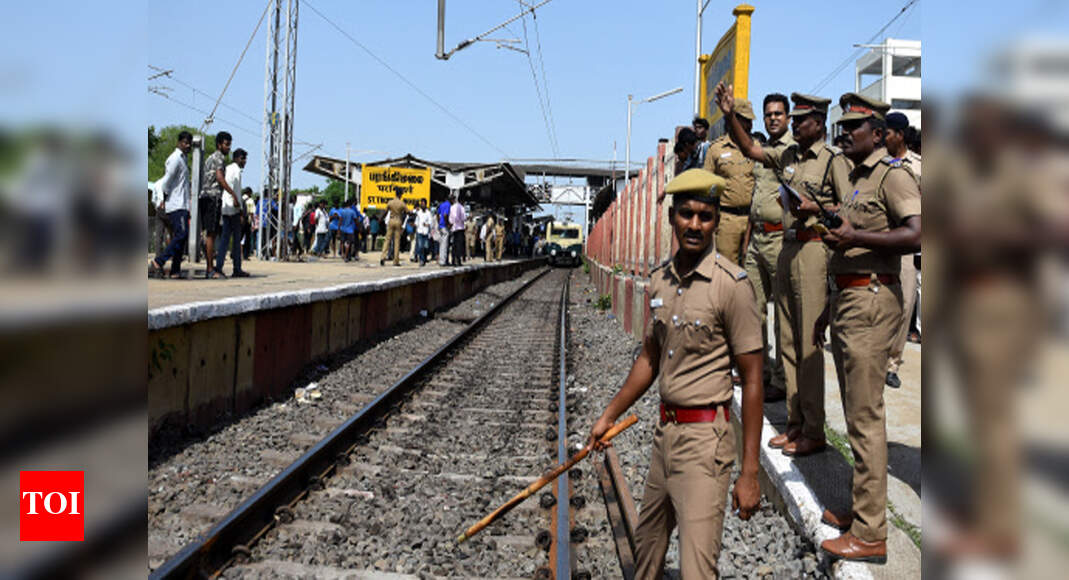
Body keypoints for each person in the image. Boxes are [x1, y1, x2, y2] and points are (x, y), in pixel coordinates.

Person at [588, 168, 764, 579]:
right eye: (687, 215)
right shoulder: (661, 281)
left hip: (706, 444)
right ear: (672, 218)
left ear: (717, 221)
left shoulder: (732, 287)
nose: (695, 225)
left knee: (696, 569)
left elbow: (753, 379)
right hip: (664, 436)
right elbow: (649, 358)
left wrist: (750, 473)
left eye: (705, 216)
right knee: (646, 553)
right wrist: (609, 415)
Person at [814, 93, 921, 563]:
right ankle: (863, 512)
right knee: (857, 411)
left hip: (872, 299)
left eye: (852, 128)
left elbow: (917, 232)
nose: (842, 134)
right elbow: (853, 230)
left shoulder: (892, 175)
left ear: (877, 134)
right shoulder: (857, 180)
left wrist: (856, 236)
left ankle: (872, 533)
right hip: (849, 296)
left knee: (865, 417)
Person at [716, 83, 836, 458]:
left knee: (805, 341)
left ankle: (813, 427)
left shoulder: (832, 160)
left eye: (799, 119)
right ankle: (796, 423)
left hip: (813, 249)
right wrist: (729, 115)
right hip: (787, 244)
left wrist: (818, 212)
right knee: (787, 341)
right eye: (791, 118)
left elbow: (845, 208)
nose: (793, 124)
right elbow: (751, 149)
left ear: (817, 123)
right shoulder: (789, 157)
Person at [743, 93, 793, 401]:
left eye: (778, 113)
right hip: (757, 238)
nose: (773, 118)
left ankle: (782, 379)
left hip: (779, 238)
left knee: (783, 315)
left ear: (787, 117)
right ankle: (757, 371)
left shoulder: (791, 151)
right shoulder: (761, 152)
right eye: (768, 114)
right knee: (752, 311)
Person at [883, 111, 922, 389]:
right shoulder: (878, 164)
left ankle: (892, 363)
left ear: (899, 135)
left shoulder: (919, 167)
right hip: (879, 239)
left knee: (905, 304)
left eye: (886, 132)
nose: (882, 137)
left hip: (907, 245)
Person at [703, 98, 756, 266]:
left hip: (753, 221)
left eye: (750, 121)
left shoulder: (757, 148)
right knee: (726, 270)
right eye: (744, 120)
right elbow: (707, 189)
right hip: (727, 220)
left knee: (752, 273)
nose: (748, 125)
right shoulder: (716, 149)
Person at [150, 131, 193, 278]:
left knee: (181, 236)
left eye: (189, 143)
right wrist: (164, 199)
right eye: (185, 143)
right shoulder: (175, 159)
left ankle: (175, 271)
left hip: (183, 204)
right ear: (179, 142)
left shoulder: (184, 159)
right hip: (175, 204)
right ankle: (159, 261)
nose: (187, 146)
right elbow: (166, 182)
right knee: (181, 234)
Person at [201, 131, 232, 278]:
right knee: (211, 234)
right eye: (226, 144)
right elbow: (219, 177)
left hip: (206, 196)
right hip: (213, 197)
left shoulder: (210, 158)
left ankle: (211, 267)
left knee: (211, 233)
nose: (228, 148)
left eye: (229, 145)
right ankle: (209, 269)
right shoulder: (218, 158)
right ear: (219, 145)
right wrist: (232, 193)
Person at [216, 148, 250, 277]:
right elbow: (234, 190)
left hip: (226, 207)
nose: (244, 161)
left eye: (245, 158)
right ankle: (236, 268)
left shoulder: (229, 168)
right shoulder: (235, 170)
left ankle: (220, 266)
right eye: (242, 158)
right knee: (235, 240)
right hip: (233, 209)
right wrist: (240, 210)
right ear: (236, 158)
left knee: (225, 239)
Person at [380, 189, 407, 266]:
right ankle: (396, 260)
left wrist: (381, 219)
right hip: (398, 221)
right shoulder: (402, 203)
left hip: (391, 221)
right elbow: (408, 212)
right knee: (397, 241)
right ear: (401, 194)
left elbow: (385, 212)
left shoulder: (390, 202)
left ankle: (383, 257)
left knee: (387, 239)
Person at [448, 194, 466, 266]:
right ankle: (458, 261)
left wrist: (452, 224)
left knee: (454, 245)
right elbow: (463, 218)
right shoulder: (461, 208)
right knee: (459, 245)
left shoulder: (452, 207)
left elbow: (450, 218)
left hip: (453, 228)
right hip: (460, 228)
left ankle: (453, 260)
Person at [415, 199, 433, 266]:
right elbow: (416, 222)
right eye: (421, 204)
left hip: (426, 232)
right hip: (419, 231)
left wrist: (426, 224)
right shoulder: (418, 213)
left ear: (426, 204)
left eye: (423, 204)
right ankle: (421, 260)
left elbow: (431, 222)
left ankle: (424, 258)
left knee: (426, 247)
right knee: (420, 247)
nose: (422, 205)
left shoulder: (428, 213)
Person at [436, 196, 452, 266]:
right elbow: (445, 215)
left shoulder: (441, 205)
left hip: (440, 226)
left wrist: (439, 222)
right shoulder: (448, 205)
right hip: (445, 227)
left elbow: (437, 214)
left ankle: (441, 260)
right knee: (445, 245)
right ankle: (443, 261)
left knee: (441, 244)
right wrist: (447, 224)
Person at [241, 187, 255, 260]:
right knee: (247, 238)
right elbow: (251, 212)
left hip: (239, 220)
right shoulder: (250, 200)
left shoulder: (240, 198)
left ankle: (235, 254)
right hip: (247, 221)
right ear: (249, 193)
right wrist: (253, 222)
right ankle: (245, 255)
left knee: (239, 238)